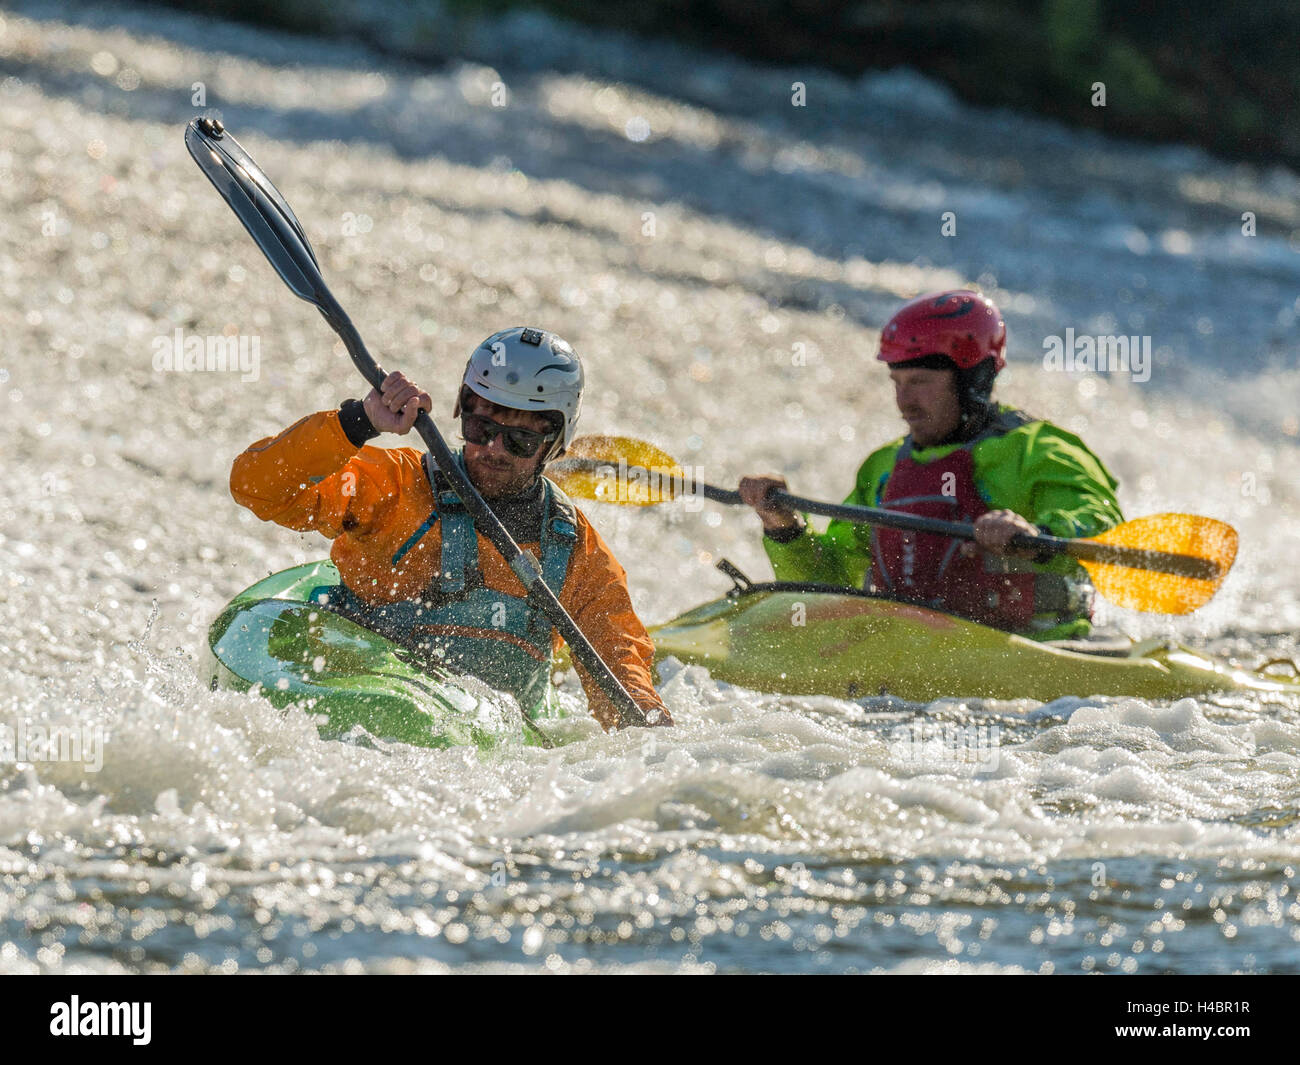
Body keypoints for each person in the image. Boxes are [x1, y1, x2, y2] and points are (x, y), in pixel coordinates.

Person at [231, 326, 672, 729]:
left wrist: (649, 724)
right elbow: (256, 486)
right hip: (363, 712)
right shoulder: (395, 489)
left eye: (519, 439)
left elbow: (620, 657)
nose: (493, 449)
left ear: (554, 444)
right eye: (481, 427)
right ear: (462, 412)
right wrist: (359, 421)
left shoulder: (575, 553)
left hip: (479, 750)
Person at [739, 290, 1124, 641]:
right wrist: (783, 527)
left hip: (1039, 655)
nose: (903, 402)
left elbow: (1103, 530)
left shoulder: (1040, 451)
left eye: (920, 382)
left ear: (973, 379)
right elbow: (829, 585)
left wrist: (1035, 536)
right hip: (913, 654)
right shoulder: (883, 468)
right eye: (897, 382)